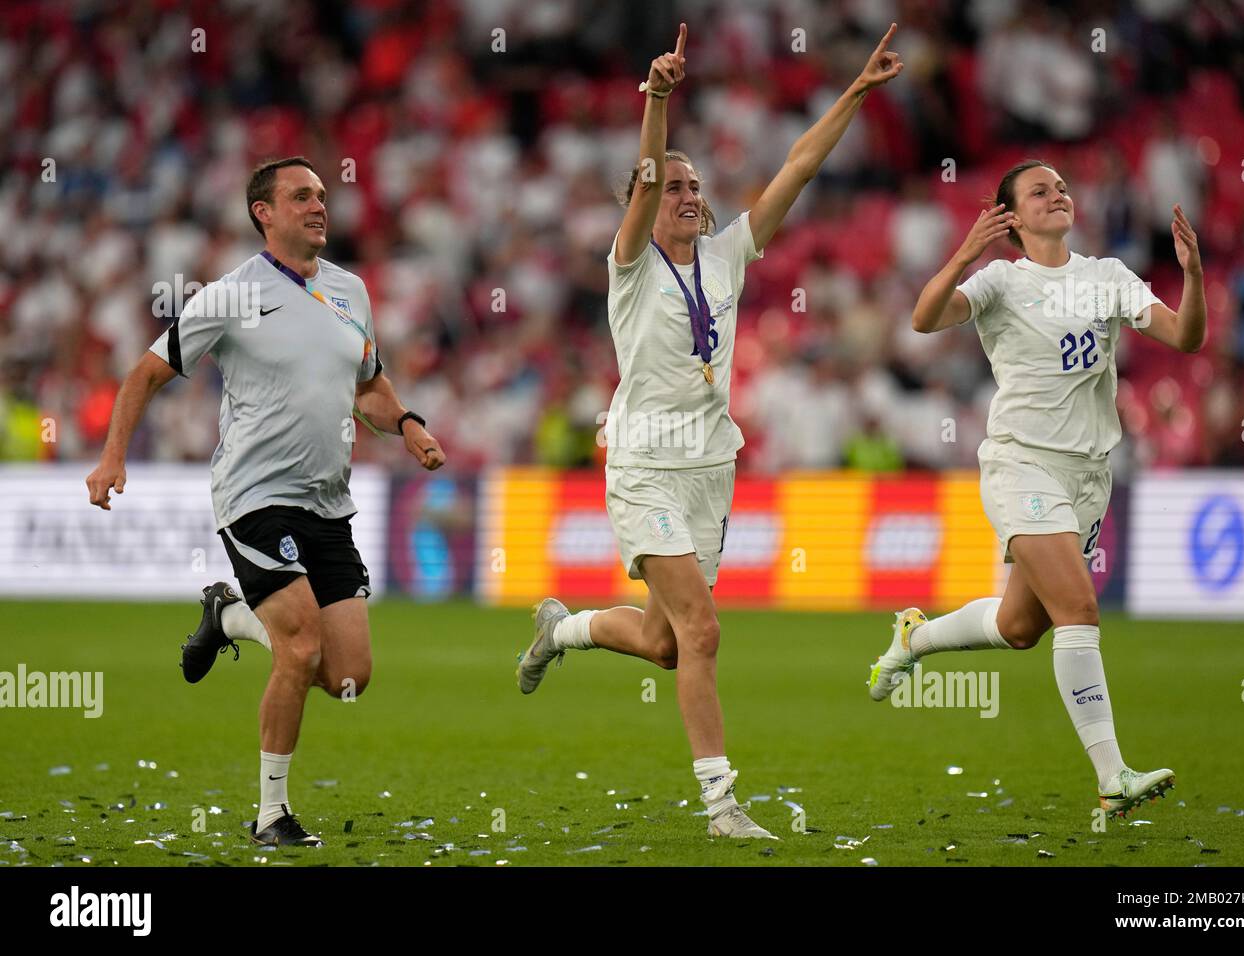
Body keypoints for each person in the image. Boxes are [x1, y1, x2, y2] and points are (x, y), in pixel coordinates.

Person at [516, 23, 904, 839]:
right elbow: (648, 169)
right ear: (648, 200)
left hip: (709, 472)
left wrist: (856, 94)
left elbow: (798, 166)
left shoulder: (725, 259)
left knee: (664, 643)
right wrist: (657, 97)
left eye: (697, 186)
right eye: (674, 187)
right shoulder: (631, 265)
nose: (689, 194)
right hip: (645, 466)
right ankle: (722, 804)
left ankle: (566, 628)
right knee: (702, 629)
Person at [85, 157, 446, 846]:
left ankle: (228, 618)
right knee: (301, 643)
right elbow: (144, 373)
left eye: (322, 195)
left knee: (348, 676)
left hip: (327, 504)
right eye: (300, 196)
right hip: (255, 496)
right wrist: (112, 456)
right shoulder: (231, 295)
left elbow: (368, 385)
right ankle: (272, 814)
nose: (318, 206)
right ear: (264, 213)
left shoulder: (351, 291)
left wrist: (405, 423)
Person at [867, 159, 1206, 819]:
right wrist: (966, 251)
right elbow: (923, 319)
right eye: (1038, 191)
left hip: (1088, 475)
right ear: (1012, 219)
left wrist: (1192, 275)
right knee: (1078, 610)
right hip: (1023, 465)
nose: (1058, 195)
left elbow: (1186, 338)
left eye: (1061, 187)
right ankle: (1113, 778)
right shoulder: (1000, 280)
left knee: (1021, 627)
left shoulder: (1106, 276)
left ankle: (916, 639)